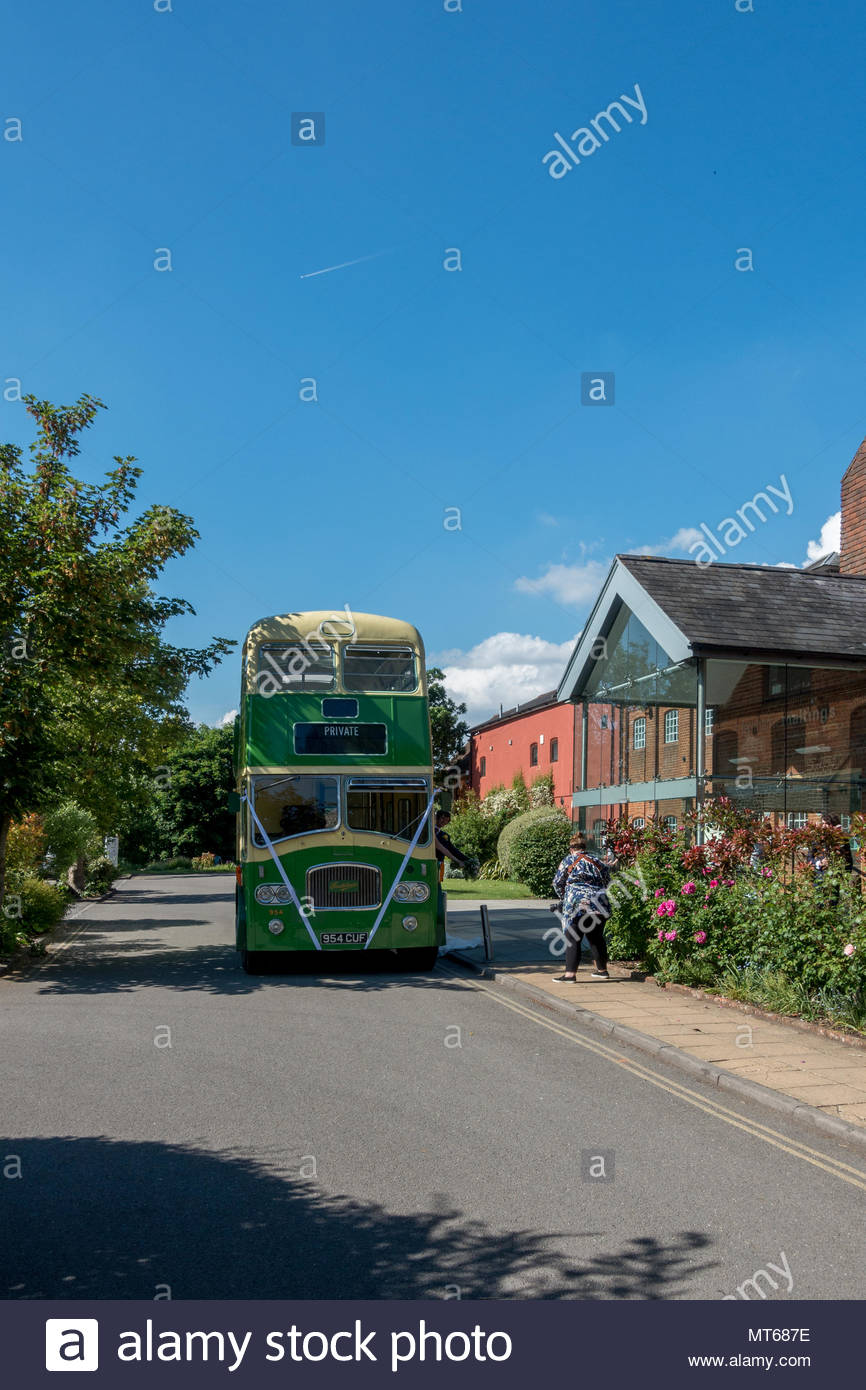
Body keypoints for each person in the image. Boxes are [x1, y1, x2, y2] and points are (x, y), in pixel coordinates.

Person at [551, 831, 612, 982]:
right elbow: (608, 881)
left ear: (572, 849)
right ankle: (602, 971)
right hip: (600, 903)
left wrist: (564, 898)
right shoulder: (597, 861)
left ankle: (570, 975)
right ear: (584, 847)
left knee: (573, 937)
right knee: (596, 937)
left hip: (577, 905)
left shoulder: (568, 860)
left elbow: (557, 883)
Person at [434, 810, 473, 883]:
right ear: (437, 817)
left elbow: (453, 850)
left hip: (439, 864)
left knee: (437, 884)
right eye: (442, 818)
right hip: (429, 862)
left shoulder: (445, 835)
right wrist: (458, 861)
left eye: (446, 820)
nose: (444, 821)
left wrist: (467, 860)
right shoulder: (429, 831)